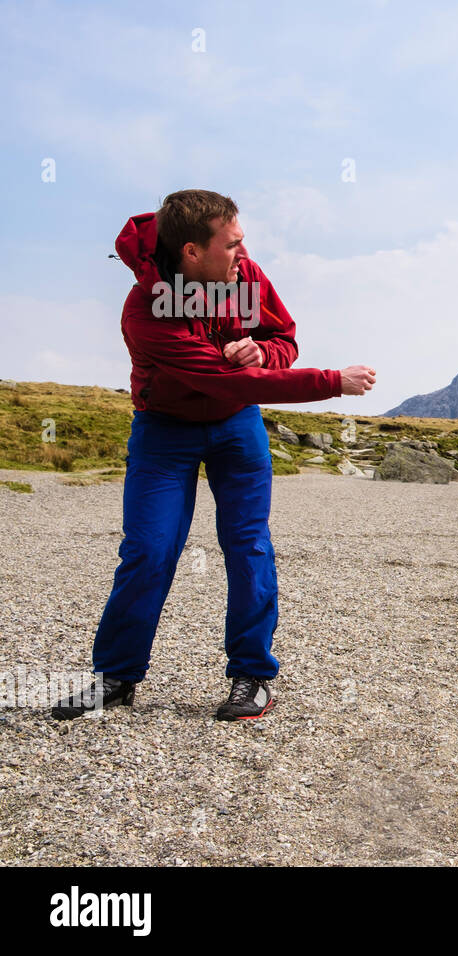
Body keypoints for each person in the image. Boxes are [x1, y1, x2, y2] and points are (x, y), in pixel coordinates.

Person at [52, 189, 377, 720]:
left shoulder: (244, 276)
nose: (243, 254)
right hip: (164, 433)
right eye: (231, 245)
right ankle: (115, 678)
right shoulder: (145, 311)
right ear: (191, 253)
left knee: (248, 546)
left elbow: (282, 336)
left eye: (242, 241)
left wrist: (262, 351)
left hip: (237, 425)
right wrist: (332, 382)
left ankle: (252, 677)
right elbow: (222, 377)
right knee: (149, 550)